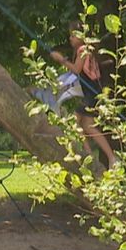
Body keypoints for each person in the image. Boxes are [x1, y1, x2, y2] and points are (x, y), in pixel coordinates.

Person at [50, 23, 118, 168]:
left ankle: (92, 157)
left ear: (81, 36)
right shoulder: (85, 49)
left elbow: (76, 70)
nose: (70, 38)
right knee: (88, 126)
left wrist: (61, 59)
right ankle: (109, 158)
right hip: (93, 91)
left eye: (73, 35)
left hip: (91, 92)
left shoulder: (82, 49)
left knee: (74, 124)